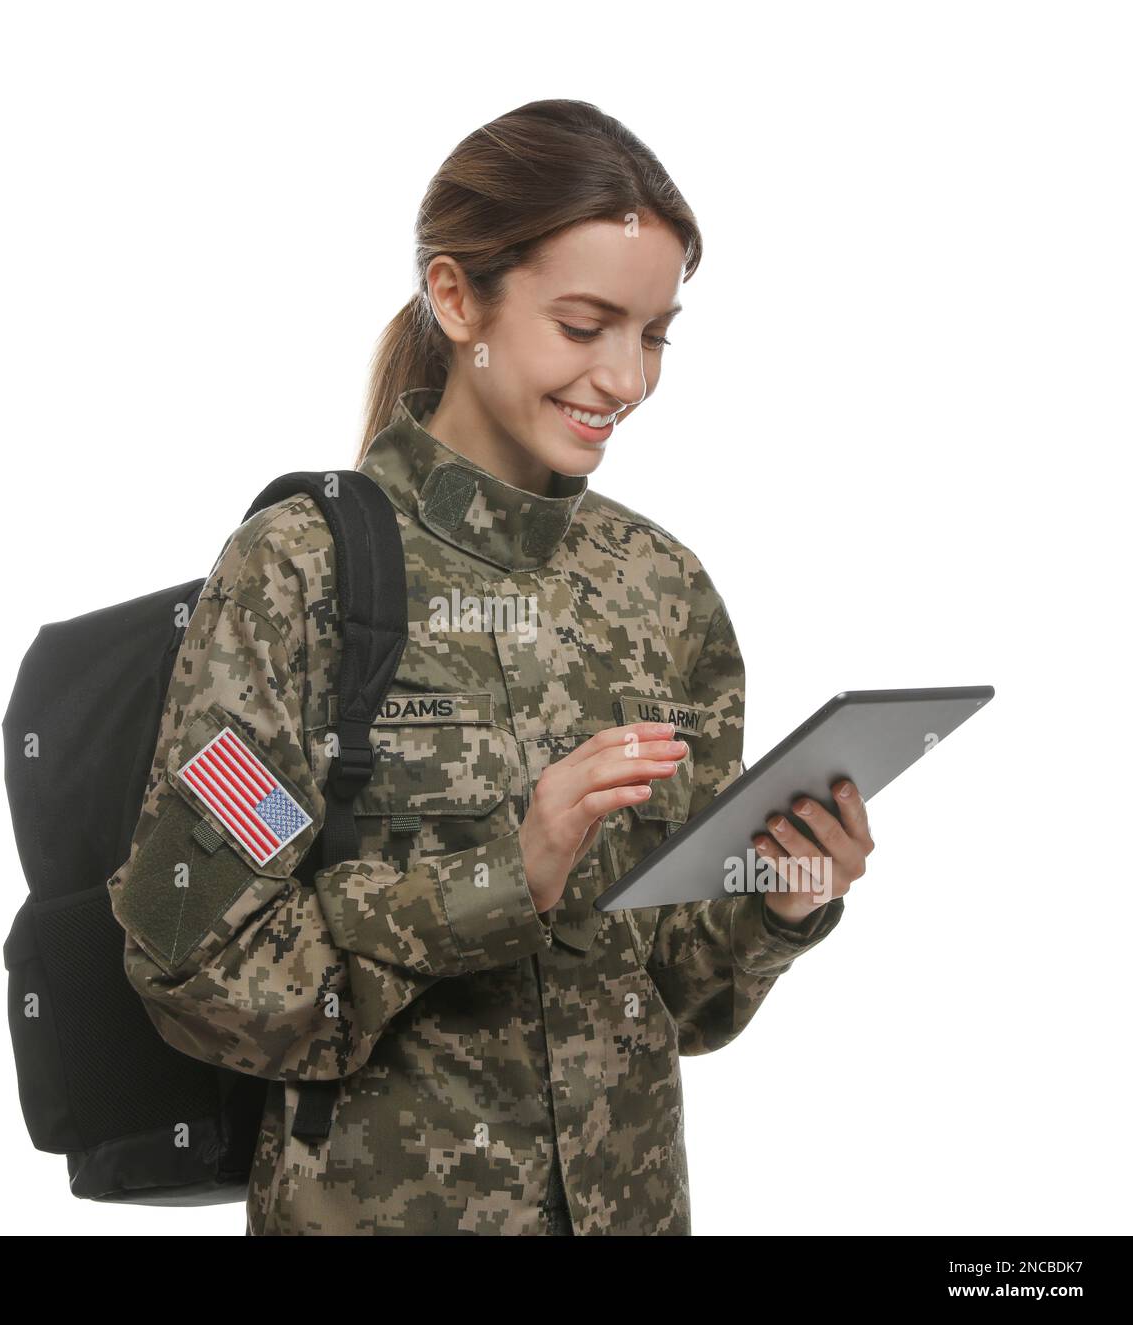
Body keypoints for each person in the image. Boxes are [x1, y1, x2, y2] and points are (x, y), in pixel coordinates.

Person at [107, 97, 874, 1236]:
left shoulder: (666, 593)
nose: (626, 378)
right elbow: (201, 966)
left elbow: (673, 997)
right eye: (584, 325)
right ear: (457, 295)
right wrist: (504, 878)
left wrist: (781, 901)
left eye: (655, 333)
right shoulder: (299, 574)